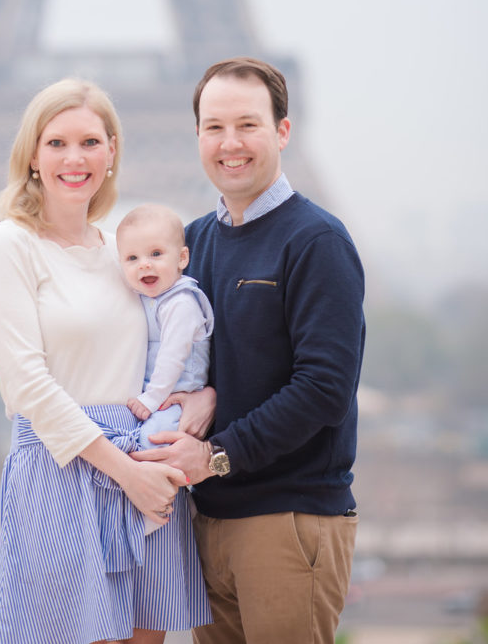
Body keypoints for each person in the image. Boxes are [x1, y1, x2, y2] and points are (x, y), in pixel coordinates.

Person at [134, 57, 365, 644]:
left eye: (247, 125)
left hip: (286, 519)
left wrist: (212, 455)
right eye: (214, 127)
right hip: (207, 519)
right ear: (197, 137)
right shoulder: (192, 244)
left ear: (283, 131)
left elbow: (324, 390)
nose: (229, 143)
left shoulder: (316, 241)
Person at [0, 79, 211, 644]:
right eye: (56, 143)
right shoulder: (7, 245)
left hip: (144, 460)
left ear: (112, 152)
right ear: (32, 154)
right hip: (66, 470)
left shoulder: (125, 254)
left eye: (89, 142)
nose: (74, 158)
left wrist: (205, 396)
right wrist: (129, 475)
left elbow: (178, 340)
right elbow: (28, 384)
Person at [116, 204, 214, 450]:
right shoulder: (148, 298)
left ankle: (163, 486)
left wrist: (151, 398)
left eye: (156, 254)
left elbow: (173, 356)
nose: (144, 265)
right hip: (157, 396)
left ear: (182, 258)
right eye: (132, 258)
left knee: (154, 441)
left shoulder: (181, 303)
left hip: (178, 399)